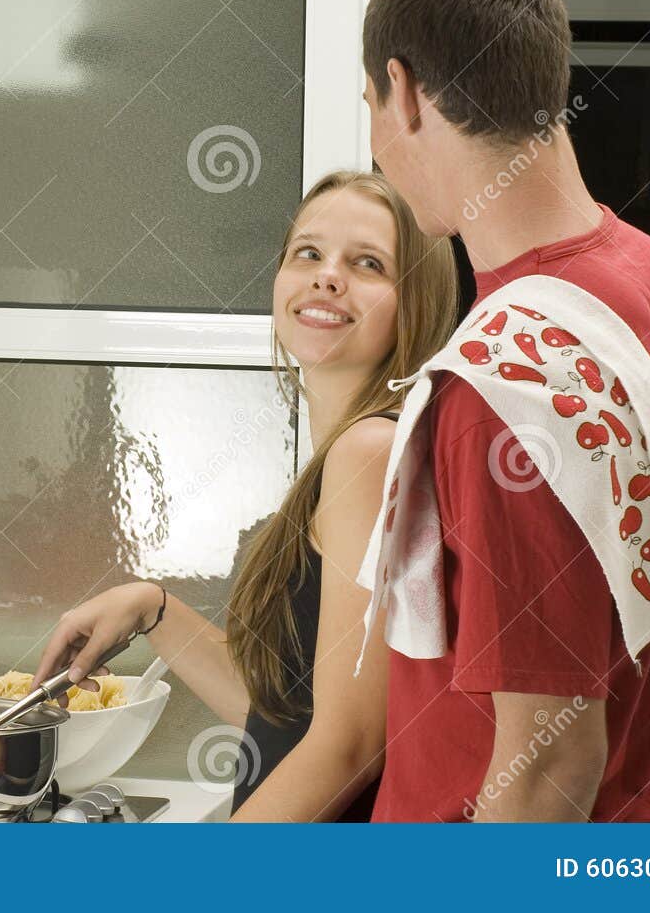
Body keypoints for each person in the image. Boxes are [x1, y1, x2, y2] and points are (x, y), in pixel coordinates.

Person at [360, 0, 650, 821]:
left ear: (407, 93)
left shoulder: (504, 387)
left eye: (371, 102)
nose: (376, 141)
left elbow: (549, 764)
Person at [32, 171, 457, 821]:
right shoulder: (345, 453)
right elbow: (282, 713)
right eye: (308, 253)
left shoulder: (368, 452)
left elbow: (351, 745)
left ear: (417, 301)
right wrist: (155, 608)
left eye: (367, 263)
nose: (327, 276)